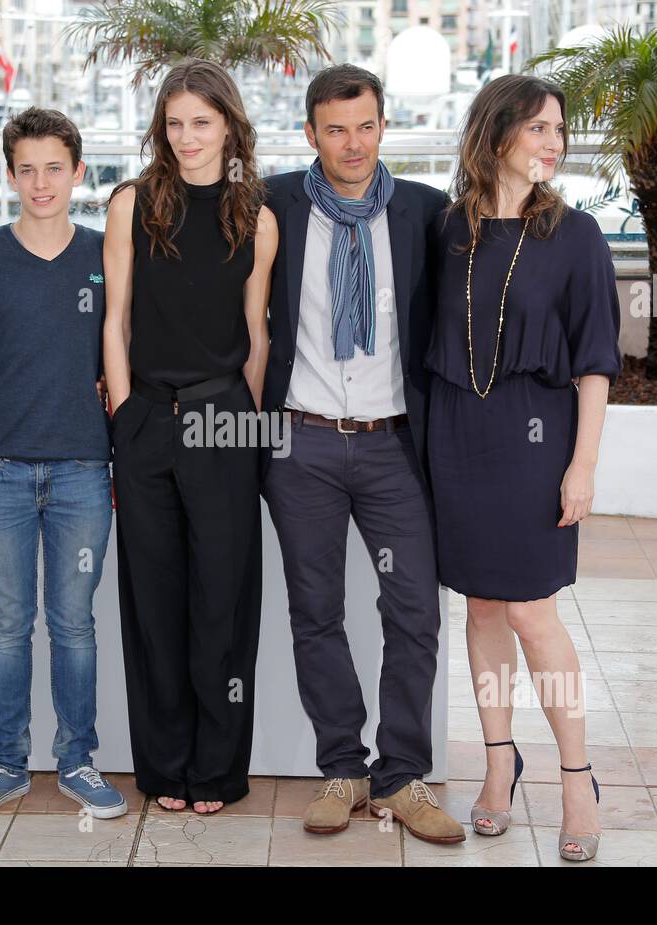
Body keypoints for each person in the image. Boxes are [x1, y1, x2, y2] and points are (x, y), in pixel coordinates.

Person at [259, 64, 461, 844]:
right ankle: (341, 767)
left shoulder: (424, 212)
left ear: (384, 127)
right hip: (301, 442)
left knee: (413, 614)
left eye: (365, 125)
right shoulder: (274, 201)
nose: (352, 143)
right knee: (316, 613)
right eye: (335, 128)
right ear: (310, 133)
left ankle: (403, 776)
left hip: (394, 447)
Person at [425, 74, 622, 861]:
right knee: (479, 610)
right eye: (538, 127)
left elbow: (598, 364)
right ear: (496, 132)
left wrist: (583, 467)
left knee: (533, 613)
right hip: (457, 435)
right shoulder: (446, 231)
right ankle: (499, 764)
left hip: (538, 441)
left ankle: (578, 777)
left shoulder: (578, 235)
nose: (553, 142)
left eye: (559, 131)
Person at [102, 58, 277, 815]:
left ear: (230, 126)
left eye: (201, 122)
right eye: (174, 123)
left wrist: (247, 427)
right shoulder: (131, 205)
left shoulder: (256, 217)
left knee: (222, 601)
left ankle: (216, 771)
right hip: (145, 419)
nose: (187, 137)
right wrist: (123, 417)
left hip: (224, 420)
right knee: (153, 601)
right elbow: (116, 319)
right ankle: (164, 768)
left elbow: (257, 337)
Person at [0, 108, 126, 821]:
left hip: (85, 466)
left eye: (55, 167)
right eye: (26, 168)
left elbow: (132, 346)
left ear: (79, 172)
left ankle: (78, 759)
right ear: (9, 175)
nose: (41, 182)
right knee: (5, 624)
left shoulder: (104, 255)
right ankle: (6, 764)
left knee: (75, 623)